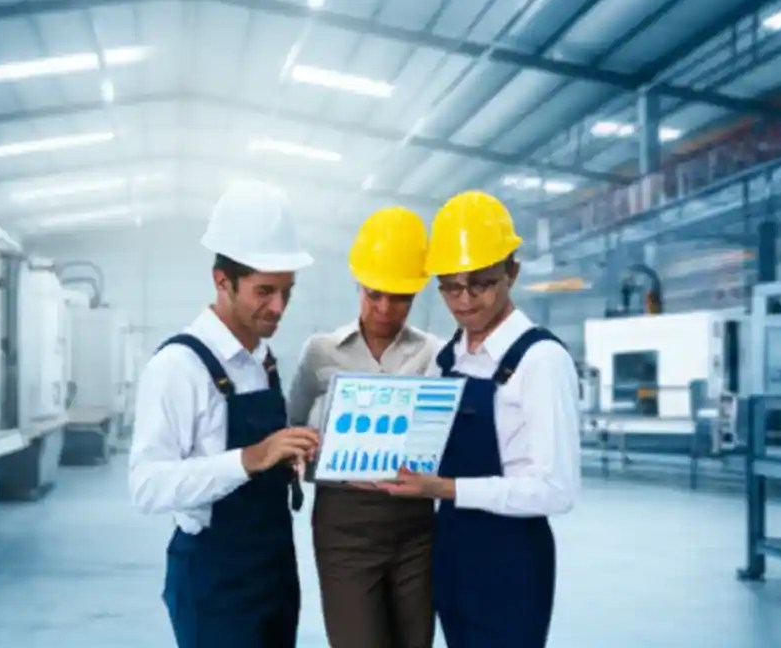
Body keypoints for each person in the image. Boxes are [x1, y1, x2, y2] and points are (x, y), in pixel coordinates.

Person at [368, 190, 580, 648]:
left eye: (480, 283)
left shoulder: (539, 360)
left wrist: (444, 488)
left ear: (512, 272)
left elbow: (557, 490)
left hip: (512, 558)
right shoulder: (449, 359)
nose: (463, 301)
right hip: (450, 549)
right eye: (449, 286)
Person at [128, 180, 321, 648]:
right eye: (264, 290)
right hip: (215, 581)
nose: (278, 307)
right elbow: (147, 485)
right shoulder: (178, 366)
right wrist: (250, 457)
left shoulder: (263, 361)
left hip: (274, 569)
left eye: (287, 292)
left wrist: (293, 456)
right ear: (222, 281)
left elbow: (267, 459)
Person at [286, 206, 442, 648]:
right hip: (345, 523)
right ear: (358, 283)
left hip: (416, 525)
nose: (384, 308)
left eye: (399, 297)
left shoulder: (434, 354)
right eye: (374, 294)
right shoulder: (320, 353)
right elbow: (292, 424)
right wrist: (303, 449)